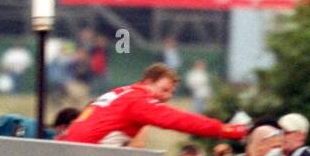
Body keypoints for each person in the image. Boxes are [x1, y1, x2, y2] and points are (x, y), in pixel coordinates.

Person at [58, 63, 248, 147]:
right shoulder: (138, 101)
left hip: (69, 151)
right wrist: (225, 130)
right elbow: (179, 120)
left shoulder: (122, 92)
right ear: (148, 82)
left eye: (171, 93)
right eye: (164, 90)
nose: (166, 98)